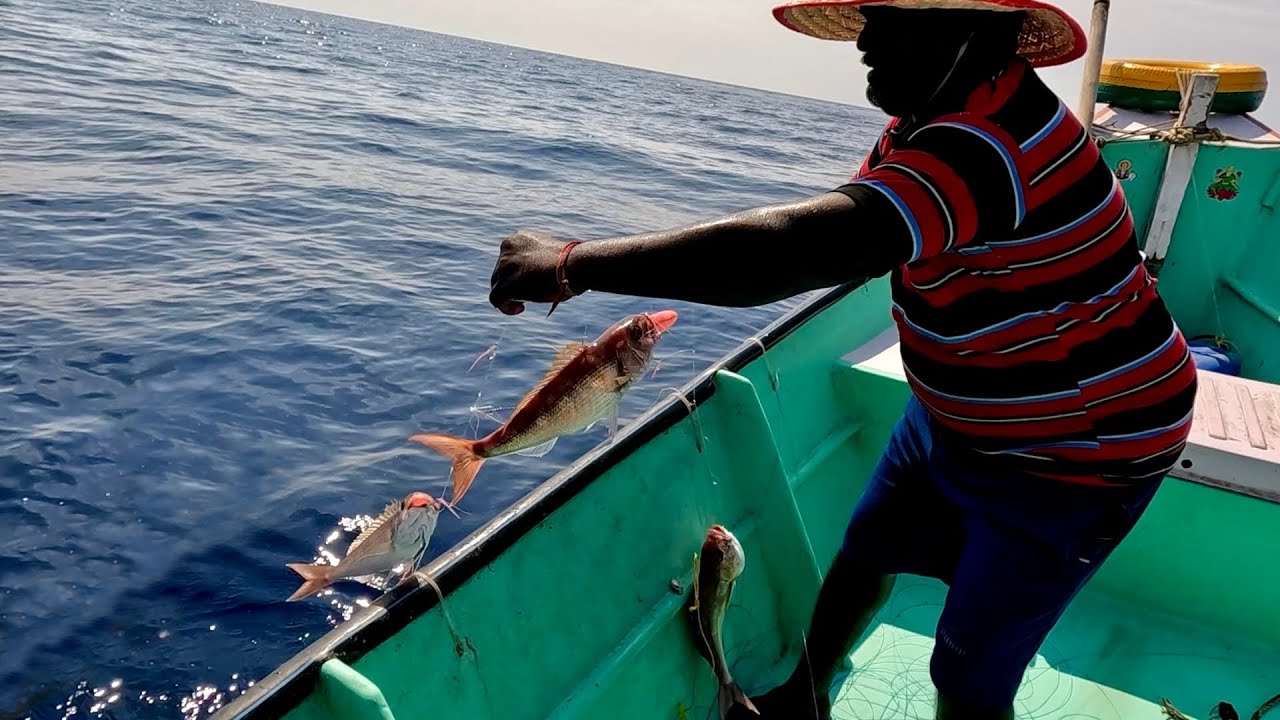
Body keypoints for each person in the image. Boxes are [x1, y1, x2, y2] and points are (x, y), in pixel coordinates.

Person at [485, 0, 1200, 717]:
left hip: (1077, 450)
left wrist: (572, 264)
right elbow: (862, 225)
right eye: (869, 14)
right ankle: (804, 698)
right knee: (866, 550)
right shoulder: (932, 111)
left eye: (898, 20)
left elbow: (792, 250)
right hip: (960, 412)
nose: (868, 37)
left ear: (981, 35)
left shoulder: (993, 144)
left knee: (969, 670)